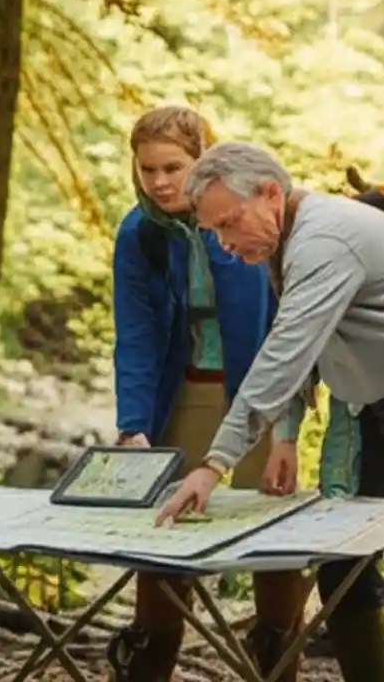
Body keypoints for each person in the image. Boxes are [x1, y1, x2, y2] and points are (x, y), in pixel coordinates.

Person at [156, 141, 384, 682]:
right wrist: (286, 433)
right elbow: (305, 342)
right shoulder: (289, 241)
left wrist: (214, 464)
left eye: (229, 224)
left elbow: (285, 353)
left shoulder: (324, 238)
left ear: (271, 194)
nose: (226, 246)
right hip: (374, 404)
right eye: (215, 234)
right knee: (341, 551)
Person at [109, 105, 307, 681]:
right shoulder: (138, 233)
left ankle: (275, 662)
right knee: (163, 539)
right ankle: (151, 663)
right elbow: (137, 337)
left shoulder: (249, 216)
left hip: (261, 397)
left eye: (173, 166)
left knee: (273, 542)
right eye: (147, 169)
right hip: (187, 395)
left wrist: (286, 431)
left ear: (204, 162)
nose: (160, 181)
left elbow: (287, 329)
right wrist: (133, 425)